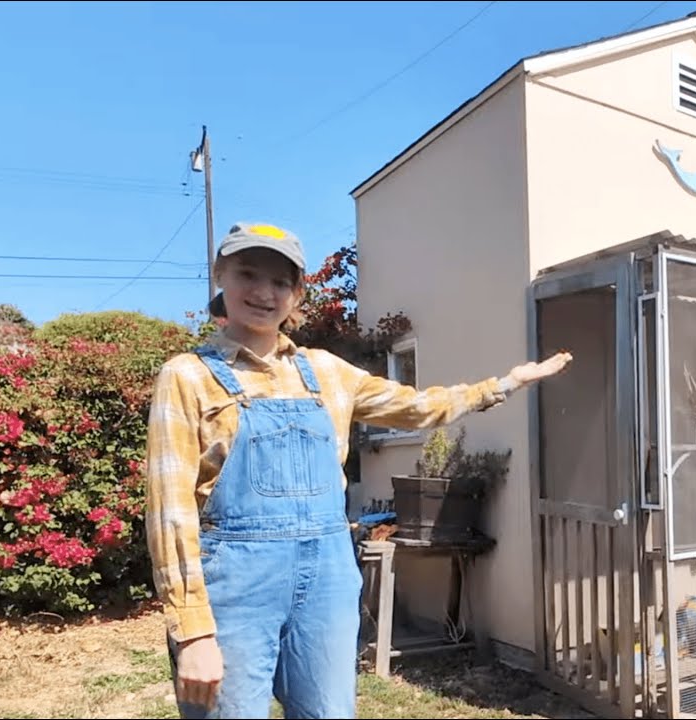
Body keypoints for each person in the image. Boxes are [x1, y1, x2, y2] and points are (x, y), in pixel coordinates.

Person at [144, 222, 572, 719]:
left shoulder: (326, 371)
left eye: (281, 282)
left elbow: (418, 408)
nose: (264, 292)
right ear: (221, 275)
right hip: (234, 589)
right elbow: (170, 512)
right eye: (247, 274)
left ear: (297, 292)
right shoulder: (187, 375)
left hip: (326, 578)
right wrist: (193, 630)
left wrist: (505, 383)